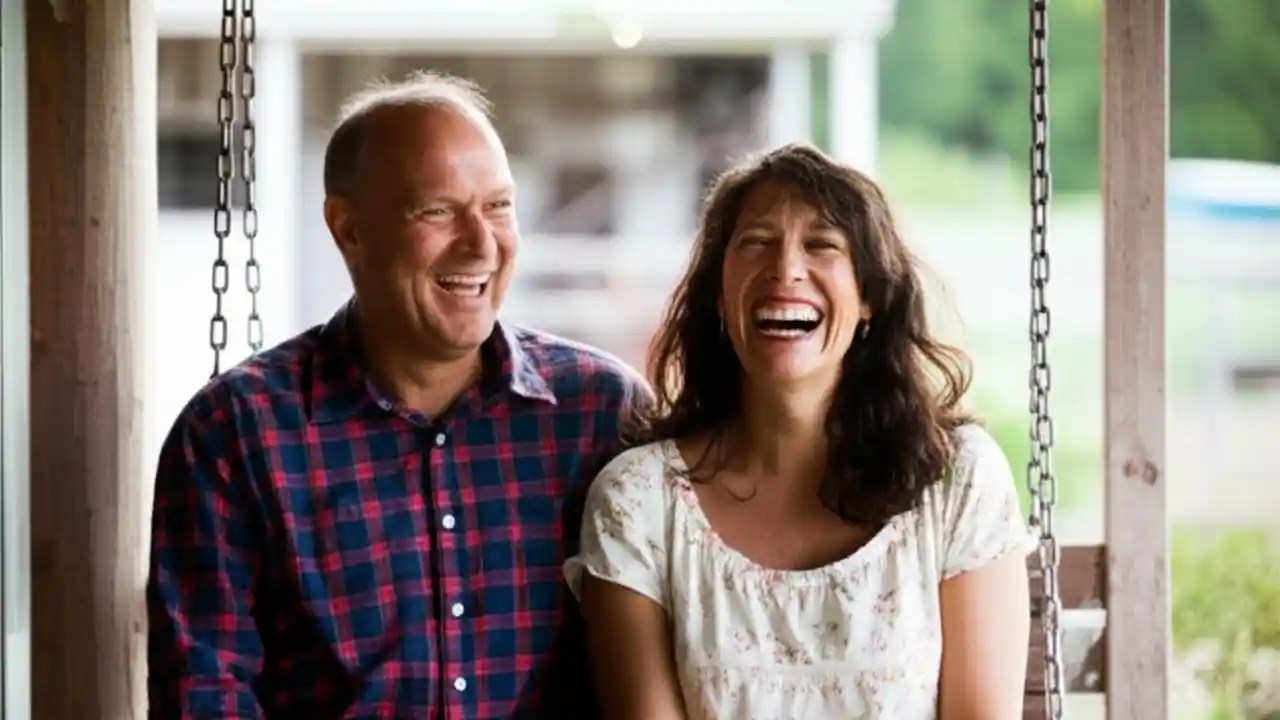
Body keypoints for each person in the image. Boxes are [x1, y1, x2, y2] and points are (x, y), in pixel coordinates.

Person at [146, 71, 649, 719]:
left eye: (498, 206)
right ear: (348, 229)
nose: (481, 243)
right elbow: (204, 693)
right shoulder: (235, 432)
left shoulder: (602, 413)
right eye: (437, 210)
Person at [564, 143, 1038, 719]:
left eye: (822, 245)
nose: (785, 270)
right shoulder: (638, 501)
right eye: (757, 243)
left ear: (869, 297)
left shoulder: (958, 482)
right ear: (720, 295)